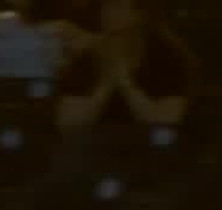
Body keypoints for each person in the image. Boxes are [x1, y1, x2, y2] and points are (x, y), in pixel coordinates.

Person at [55, 0, 192, 131]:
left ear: (139, 13)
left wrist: (126, 83)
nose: (107, 12)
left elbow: (164, 121)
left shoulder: (168, 56)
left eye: (117, 5)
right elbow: (67, 121)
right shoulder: (88, 55)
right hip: (97, 146)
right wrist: (105, 86)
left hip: (151, 148)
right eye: (106, 5)